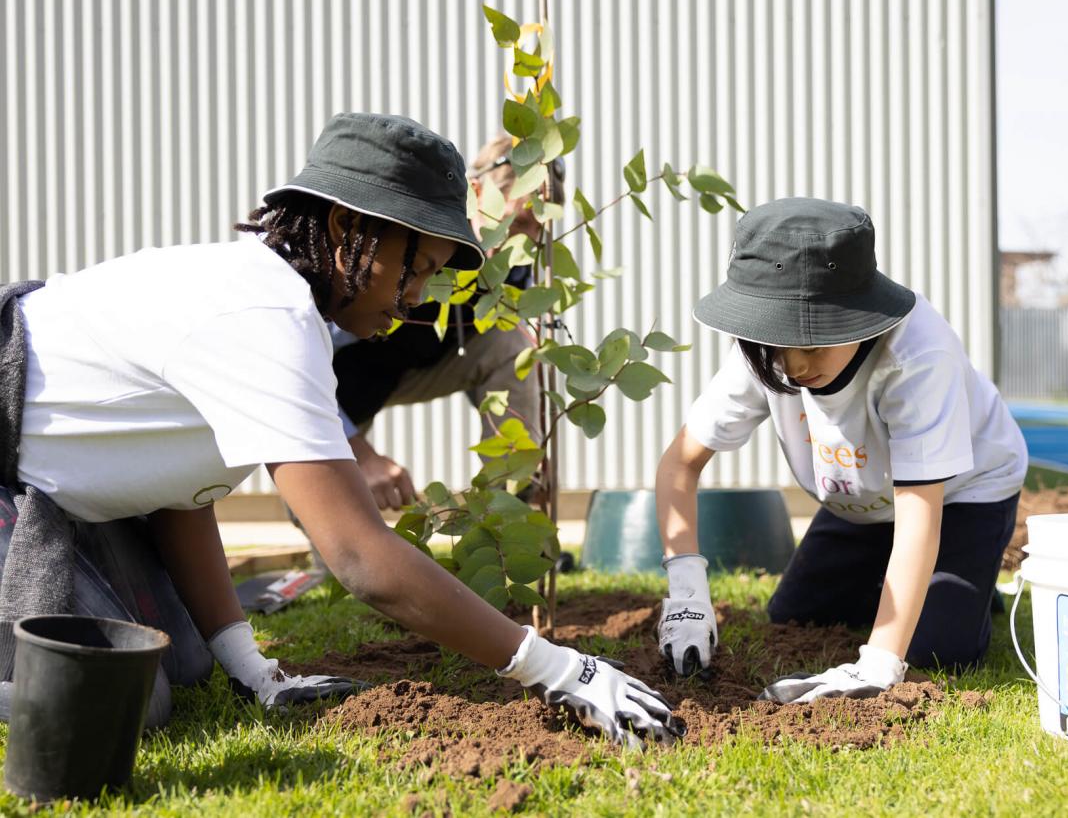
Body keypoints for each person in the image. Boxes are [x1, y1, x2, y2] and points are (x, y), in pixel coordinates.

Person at [0, 112, 681, 746]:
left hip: (68, 500)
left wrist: (250, 668)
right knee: (109, 695)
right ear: (345, 226)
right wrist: (559, 669)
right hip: (12, 472)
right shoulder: (262, 315)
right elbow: (361, 558)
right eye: (416, 267)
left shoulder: (280, 309)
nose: (417, 297)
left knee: (179, 663)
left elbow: (182, 492)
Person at [653, 197, 1027, 702]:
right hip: (861, 500)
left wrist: (878, 662)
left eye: (813, 344)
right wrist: (687, 594)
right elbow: (681, 464)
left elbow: (920, 514)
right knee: (795, 615)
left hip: (960, 493)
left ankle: (970, 586)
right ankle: (933, 582)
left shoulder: (917, 355)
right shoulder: (763, 351)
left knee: (937, 649)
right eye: (779, 345)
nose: (795, 366)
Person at [325, 131, 563, 512]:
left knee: (516, 347)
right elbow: (297, 368)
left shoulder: (516, 276)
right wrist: (358, 452)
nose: (528, 245)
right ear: (475, 193)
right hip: (341, 379)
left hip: (421, 367)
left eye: (539, 231)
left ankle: (506, 518)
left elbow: (504, 374)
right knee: (334, 505)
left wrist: (525, 449)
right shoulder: (399, 250)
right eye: (517, 225)